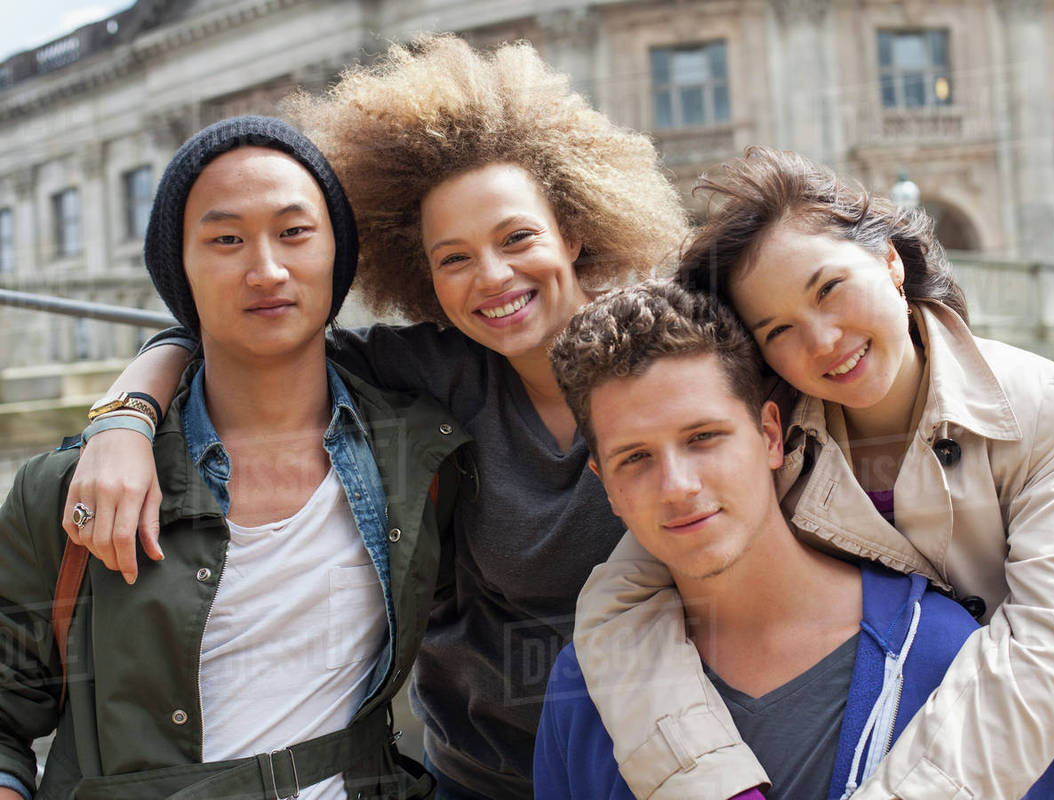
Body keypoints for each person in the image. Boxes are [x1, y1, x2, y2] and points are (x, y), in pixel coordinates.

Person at [58, 36, 689, 800]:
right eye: (452, 258)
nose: (493, 277)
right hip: (490, 776)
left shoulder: (677, 351)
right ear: (421, 275)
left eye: (517, 238)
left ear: (574, 230)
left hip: (679, 755)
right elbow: (242, 330)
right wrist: (124, 418)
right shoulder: (433, 371)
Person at [570, 148, 1054, 799]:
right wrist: (714, 784)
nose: (822, 341)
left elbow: (1053, 644)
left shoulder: (1038, 403)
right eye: (779, 329)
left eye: (829, 289)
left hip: (1041, 759)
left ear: (890, 261)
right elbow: (622, 601)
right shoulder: (768, 432)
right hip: (842, 745)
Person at [0, 115, 468, 799]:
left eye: (295, 232)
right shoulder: (70, 491)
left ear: (338, 254)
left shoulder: (423, 457)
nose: (268, 269)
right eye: (226, 239)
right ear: (179, 271)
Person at [534, 280, 1054, 799]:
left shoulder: (948, 656)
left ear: (771, 436)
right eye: (636, 458)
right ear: (607, 487)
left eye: (703, 438)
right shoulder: (584, 688)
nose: (678, 487)